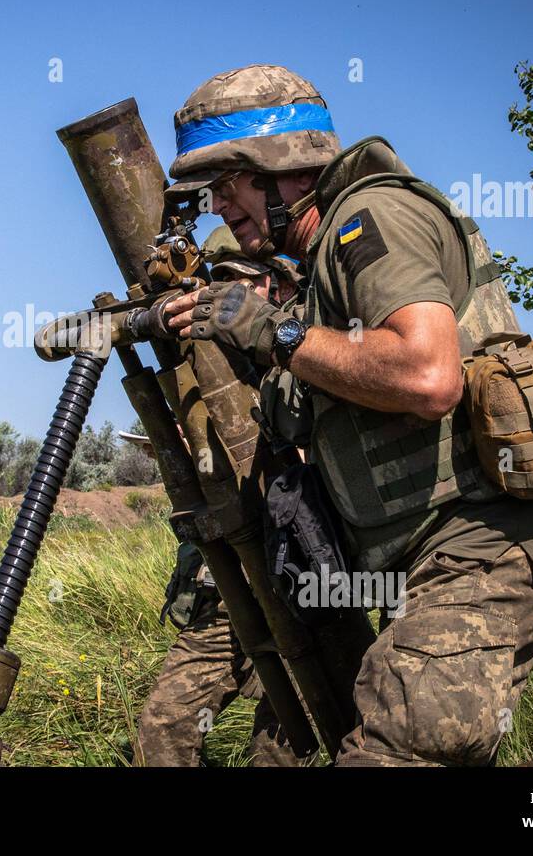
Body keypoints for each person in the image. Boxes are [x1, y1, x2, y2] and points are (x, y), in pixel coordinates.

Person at [154, 64, 533, 766]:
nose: (220, 209)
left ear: (283, 167)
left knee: (392, 752)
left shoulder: (369, 218)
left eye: (228, 185)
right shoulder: (318, 275)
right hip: (413, 561)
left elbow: (427, 375)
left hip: (481, 547)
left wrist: (273, 332)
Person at [132, 229, 308, 768]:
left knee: (284, 744)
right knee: (160, 731)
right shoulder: (199, 368)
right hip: (223, 591)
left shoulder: (309, 359)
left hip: (301, 589)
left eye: (240, 285)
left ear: (274, 288)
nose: (223, 299)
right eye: (219, 282)